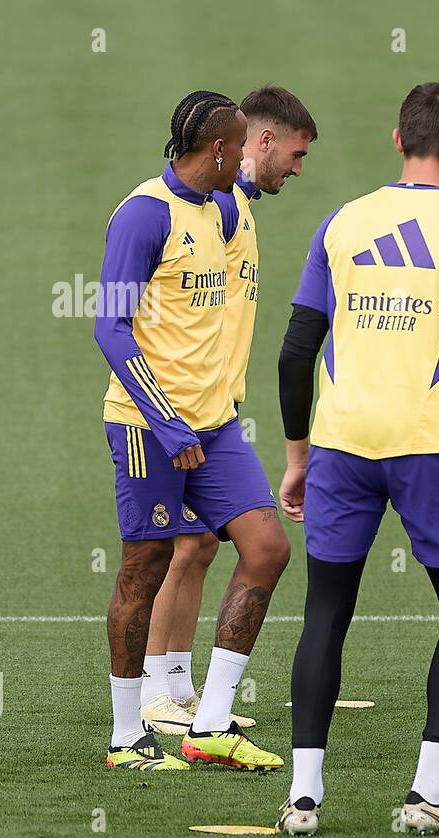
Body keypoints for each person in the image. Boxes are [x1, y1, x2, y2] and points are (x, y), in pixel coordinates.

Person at [275, 83, 439, 835]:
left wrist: (296, 455)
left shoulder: (342, 221)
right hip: (430, 448)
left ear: (397, 138)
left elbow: (294, 352)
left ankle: (304, 799)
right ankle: (428, 794)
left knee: (326, 610)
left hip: (342, 443)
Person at [95, 90, 289, 772]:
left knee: (265, 548)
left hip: (216, 427)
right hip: (150, 428)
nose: (247, 156)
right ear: (217, 149)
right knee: (142, 572)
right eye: (240, 146)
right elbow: (109, 328)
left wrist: (206, 417)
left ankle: (209, 725)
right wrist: (167, 421)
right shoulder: (144, 216)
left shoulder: (216, 211)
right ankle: (126, 737)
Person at [139, 85, 318, 737]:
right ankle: (155, 692)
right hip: (182, 410)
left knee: (200, 549)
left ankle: (178, 690)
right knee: (184, 546)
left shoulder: (235, 203)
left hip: (217, 406)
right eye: (293, 155)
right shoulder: (215, 201)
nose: (296, 170)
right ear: (259, 142)